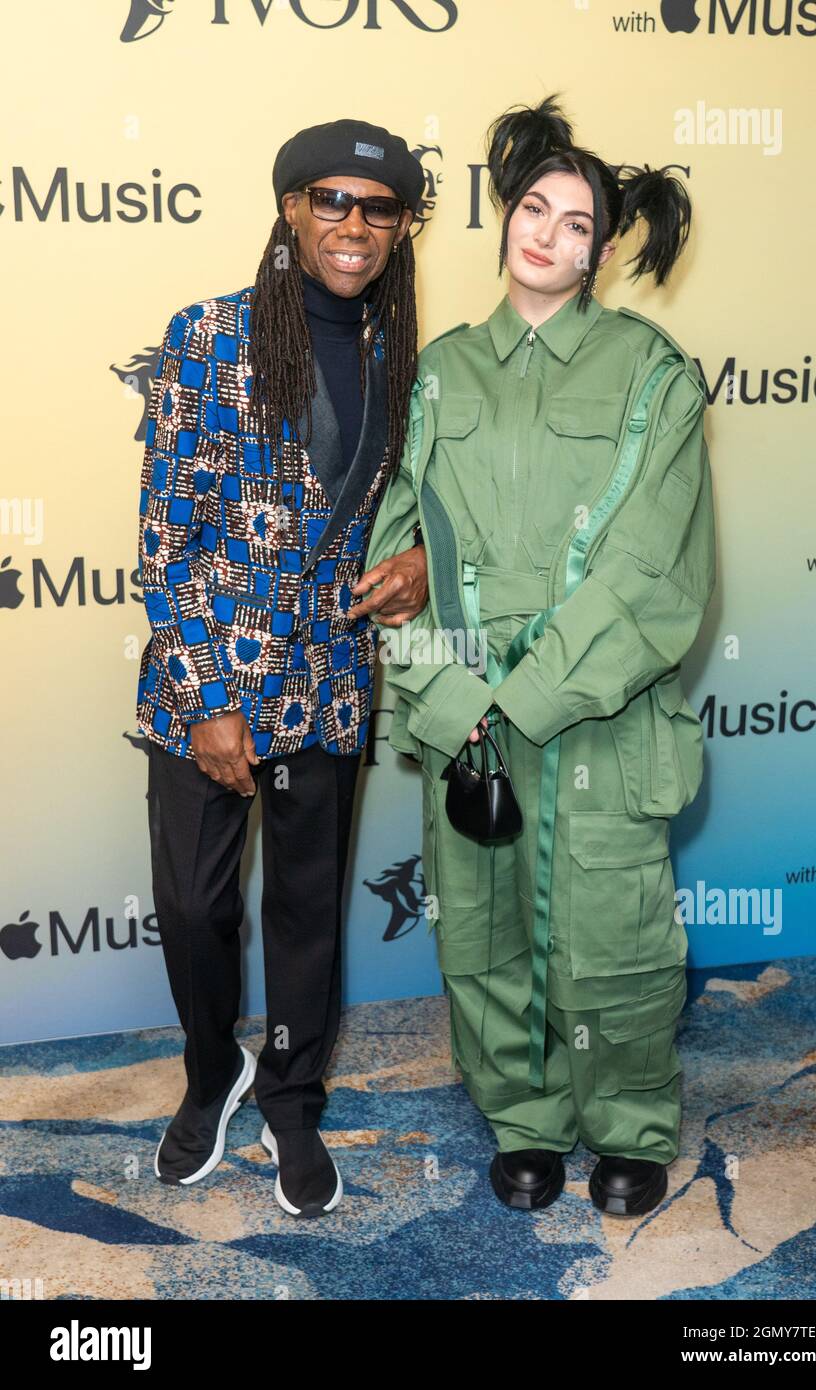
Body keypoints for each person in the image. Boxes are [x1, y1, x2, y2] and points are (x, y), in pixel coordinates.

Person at [352, 96, 716, 1218]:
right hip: (466, 719)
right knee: (485, 931)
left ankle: (627, 1123)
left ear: (602, 249)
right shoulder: (442, 373)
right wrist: (453, 694)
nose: (544, 234)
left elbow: (654, 567)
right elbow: (391, 545)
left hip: (596, 716)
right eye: (530, 208)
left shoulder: (652, 371)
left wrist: (520, 693)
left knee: (611, 939)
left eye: (573, 222)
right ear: (504, 217)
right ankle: (523, 1120)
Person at [137, 118, 431, 1218]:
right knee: (195, 906)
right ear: (291, 210)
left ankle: (293, 1097)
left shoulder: (407, 357)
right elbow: (164, 542)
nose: (353, 225)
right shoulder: (207, 335)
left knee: (307, 908)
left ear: (401, 230)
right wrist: (213, 699)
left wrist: (419, 565)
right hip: (202, 683)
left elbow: (424, 514)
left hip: (332, 679)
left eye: (378, 208)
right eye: (330, 200)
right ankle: (213, 1075)